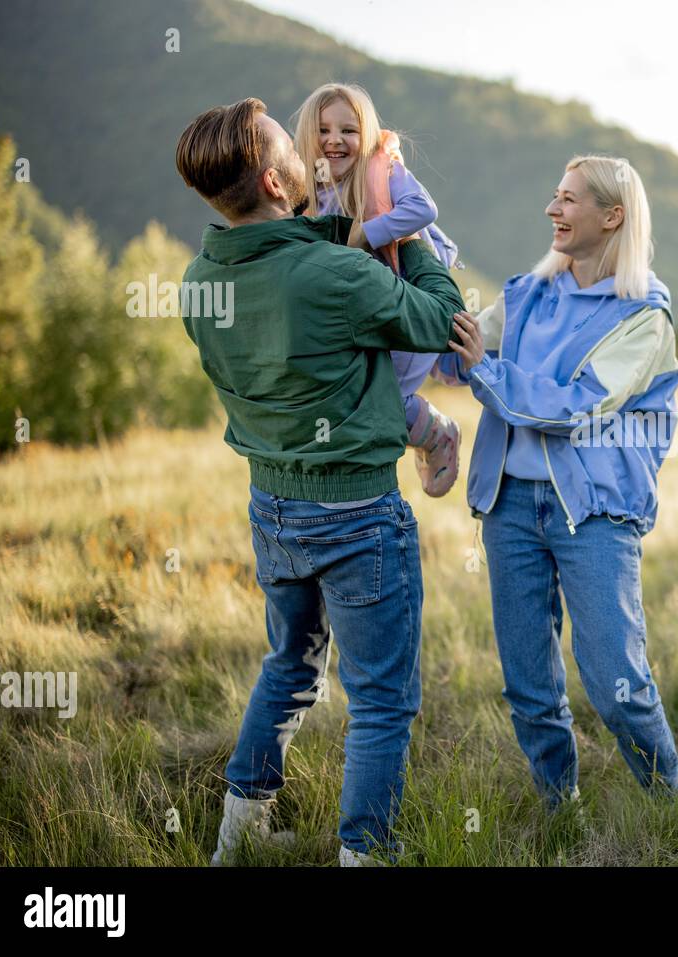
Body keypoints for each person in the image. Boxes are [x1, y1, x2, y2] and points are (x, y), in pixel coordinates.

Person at [173, 97, 484, 865]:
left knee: (287, 667)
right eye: (290, 149)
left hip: (273, 509)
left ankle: (235, 837)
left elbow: (294, 270)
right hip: (356, 514)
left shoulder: (198, 280)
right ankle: (364, 853)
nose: (307, 155)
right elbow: (435, 318)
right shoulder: (338, 273)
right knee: (381, 699)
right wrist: (402, 230)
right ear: (278, 184)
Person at [439, 155, 678, 808]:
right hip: (509, 509)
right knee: (528, 685)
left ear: (613, 216)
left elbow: (574, 405)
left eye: (569, 199)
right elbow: (455, 350)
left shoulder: (643, 319)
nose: (553, 209)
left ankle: (669, 811)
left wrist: (483, 371)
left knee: (616, 685)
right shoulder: (526, 295)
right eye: (554, 196)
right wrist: (415, 270)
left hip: (593, 515)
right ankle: (559, 807)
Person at [294, 81, 463, 497]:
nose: (335, 140)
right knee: (359, 390)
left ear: (366, 135)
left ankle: (438, 433)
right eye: (323, 129)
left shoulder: (382, 170)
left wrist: (366, 234)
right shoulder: (307, 190)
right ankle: (445, 368)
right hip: (363, 311)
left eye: (348, 130)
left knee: (388, 396)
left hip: (409, 296)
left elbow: (424, 209)